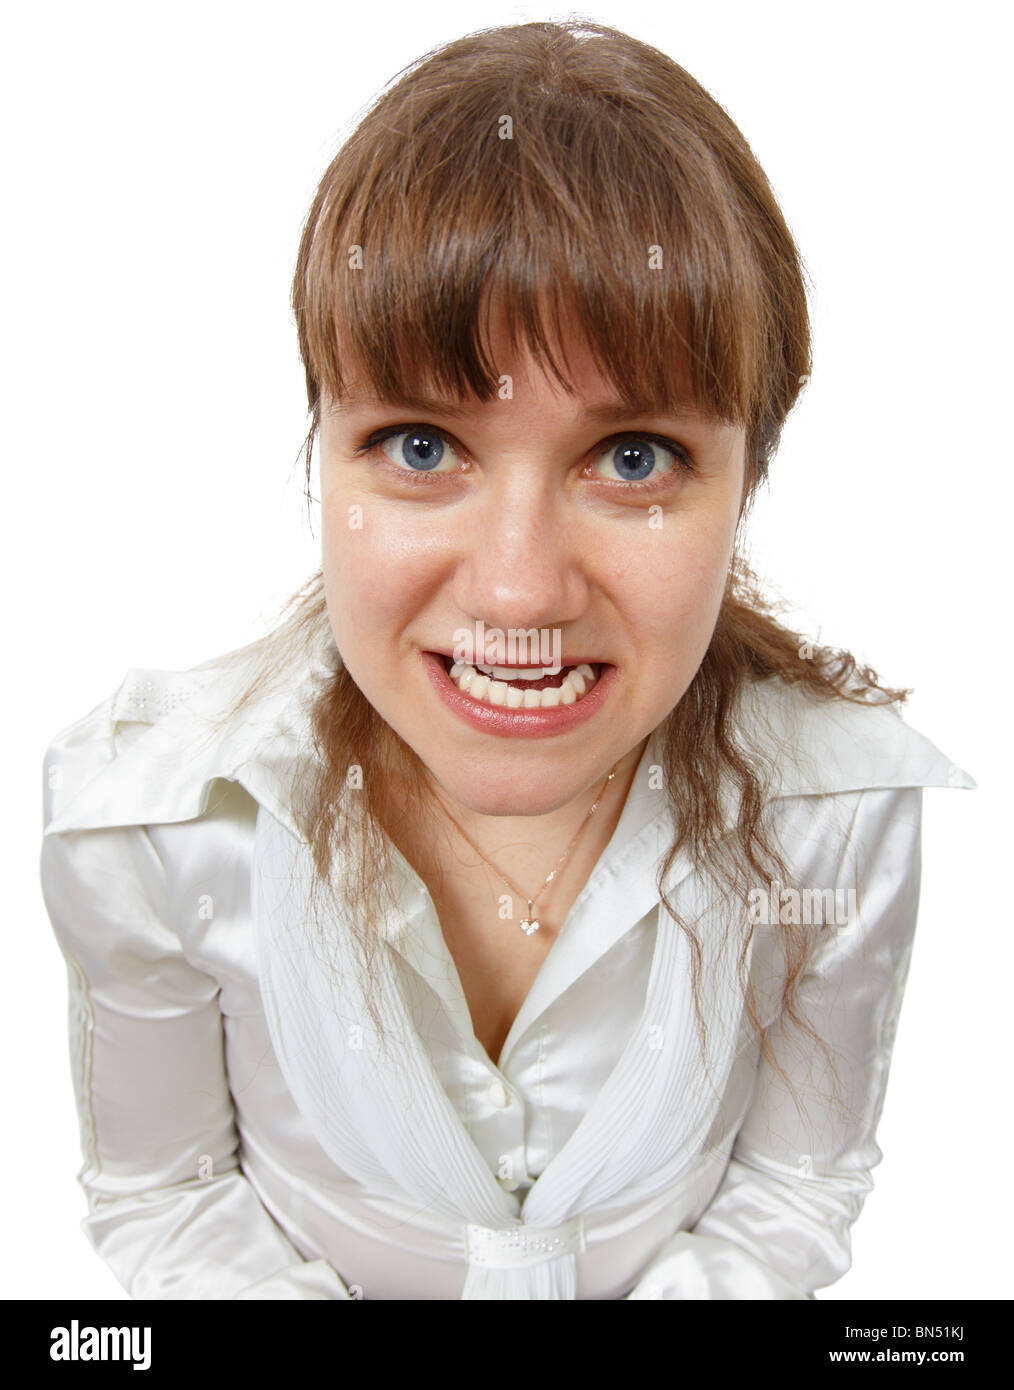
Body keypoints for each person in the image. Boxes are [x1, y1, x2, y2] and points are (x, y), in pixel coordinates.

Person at [39, 18, 974, 1300]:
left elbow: (797, 1183)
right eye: (422, 446)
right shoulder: (151, 825)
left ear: (747, 476)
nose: (520, 585)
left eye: (633, 457)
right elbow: (167, 1195)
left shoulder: (839, 817)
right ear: (323, 448)